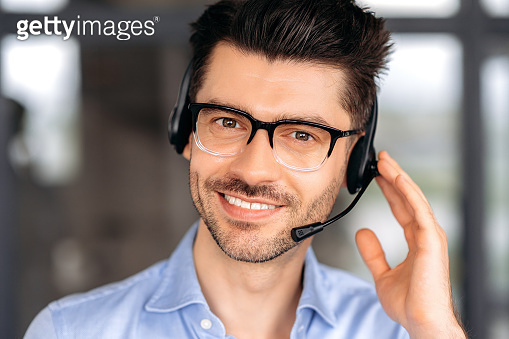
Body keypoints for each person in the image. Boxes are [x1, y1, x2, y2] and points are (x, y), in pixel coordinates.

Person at [25, 0, 468, 338]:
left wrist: (435, 328)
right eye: (227, 122)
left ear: (353, 160)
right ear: (184, 132)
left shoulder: (397, 331)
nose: (254, 170)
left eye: (301, 135)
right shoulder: (72, 331)